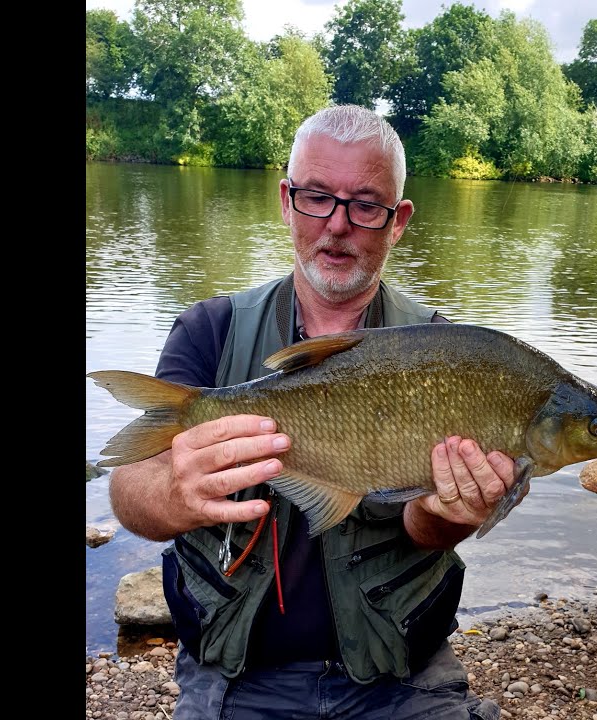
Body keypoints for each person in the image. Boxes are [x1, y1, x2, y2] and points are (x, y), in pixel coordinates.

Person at [108, 104, 523, 720]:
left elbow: (425, 531)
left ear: (399, 220)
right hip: (237, 677)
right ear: (286, 201)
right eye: (316, 197)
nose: (337, 225)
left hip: (399, 675)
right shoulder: (210, 330)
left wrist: (449, 515)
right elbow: (127, 491)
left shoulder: (442, 349)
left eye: (366, 205)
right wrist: (173, 492)